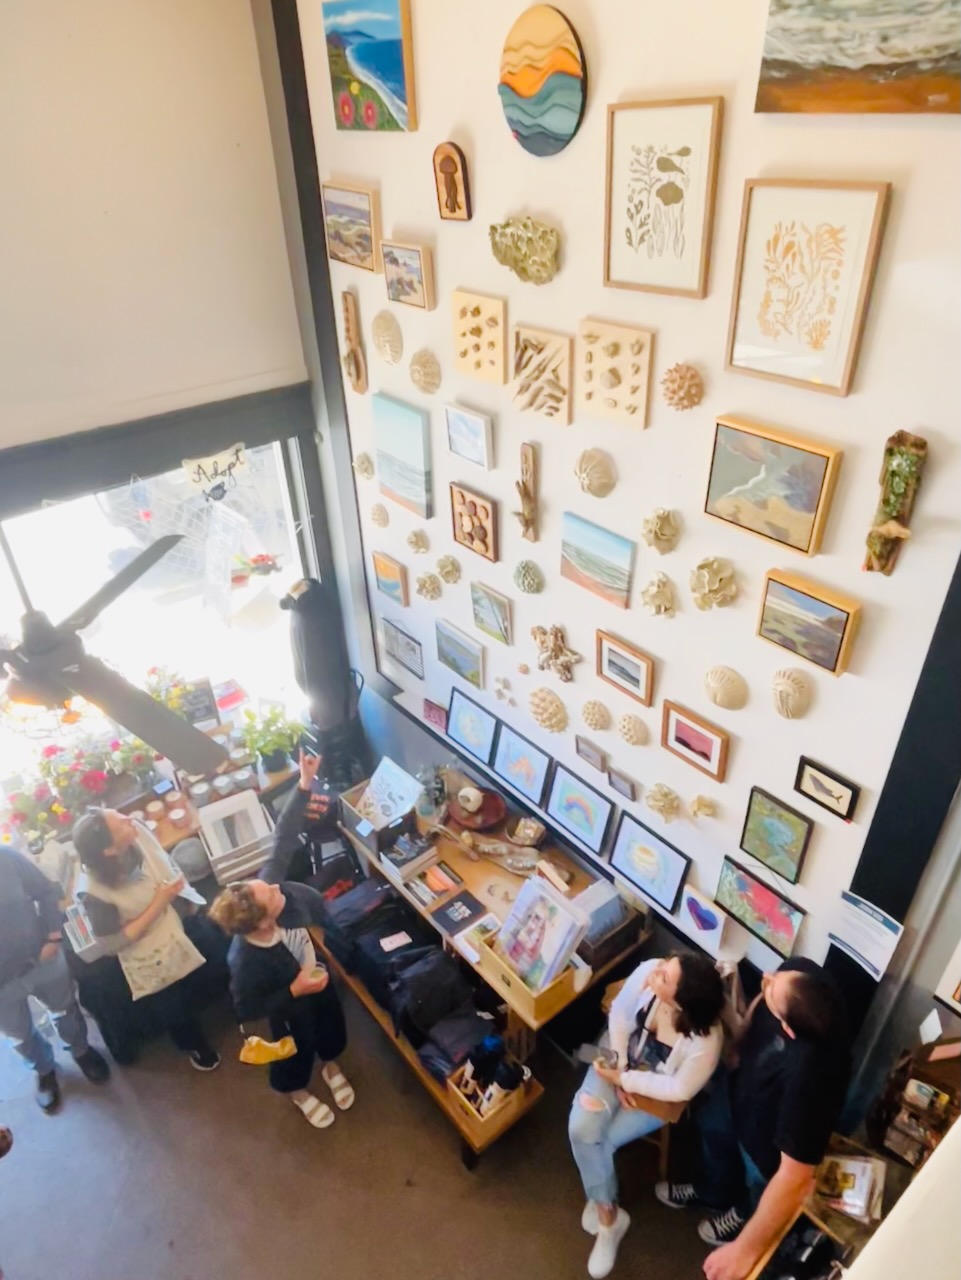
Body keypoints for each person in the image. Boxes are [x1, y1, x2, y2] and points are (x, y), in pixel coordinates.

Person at [655, 958, 851, 1280]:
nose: (768, 977)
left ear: (787, 1029)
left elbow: (794, 1178)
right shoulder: (804, 978)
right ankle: (712, 1192)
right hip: (738, 1088)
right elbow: (767, 993)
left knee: (757, 1184)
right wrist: (742, 1036)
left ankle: (742, 1215)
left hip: (765, 1137)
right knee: (712, 1130)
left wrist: (745, 1249)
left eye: (772, 987)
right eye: (778, 977)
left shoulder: (811, 1080)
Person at [209, 750, 354, 1129]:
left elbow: (283, 837)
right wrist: (293, 990)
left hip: (313, 979)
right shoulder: (244, 964)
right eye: (271, 895)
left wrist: (304, 784)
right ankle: (298, 1092)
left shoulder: (267, 887)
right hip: (286, 1012)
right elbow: (249, 1015)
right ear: (261, 924)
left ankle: (331, 1064)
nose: (275, 885)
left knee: (329, 1024)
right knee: (294, 1052)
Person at [569, 953, 726, 1279]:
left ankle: (606, 1216)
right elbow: (620, 1015)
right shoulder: (650, 971)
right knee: (582, 1129)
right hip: (618, 1056)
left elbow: (679, 1089)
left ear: (681, 1002)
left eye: (664, 978)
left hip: (656, 1090)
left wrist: (628, 1082)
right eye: (664, 966)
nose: (655, 972)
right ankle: (609, 1213)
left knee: (600, 1142)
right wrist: (620, 1069)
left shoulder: (707, 1041)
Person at [72, 809, 222, 1072]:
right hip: (147, 950)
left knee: (212, 952)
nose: (129, 819)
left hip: (174, 922)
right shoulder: (94, 893)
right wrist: (159, 902)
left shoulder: (135, 835)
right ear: (108, 850)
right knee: (173, 1007)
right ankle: (195, 1046)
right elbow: (112, 944)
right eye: (121, 824)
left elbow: (160, 864)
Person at [0, 843, 110, 1110]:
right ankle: (44, 1069)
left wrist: (53, 935)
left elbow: (45, 890)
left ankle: (80, 1050)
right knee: (19, 1035)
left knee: (64, 1009)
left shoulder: (5, 857)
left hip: (41, 957)